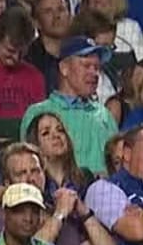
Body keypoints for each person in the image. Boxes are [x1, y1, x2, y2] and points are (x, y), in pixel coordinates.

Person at [21, 37, 120, 174]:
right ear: (64, 68)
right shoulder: (38, 112)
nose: (94, 73)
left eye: (97, 67)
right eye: (86, 66)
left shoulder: (104, 115)